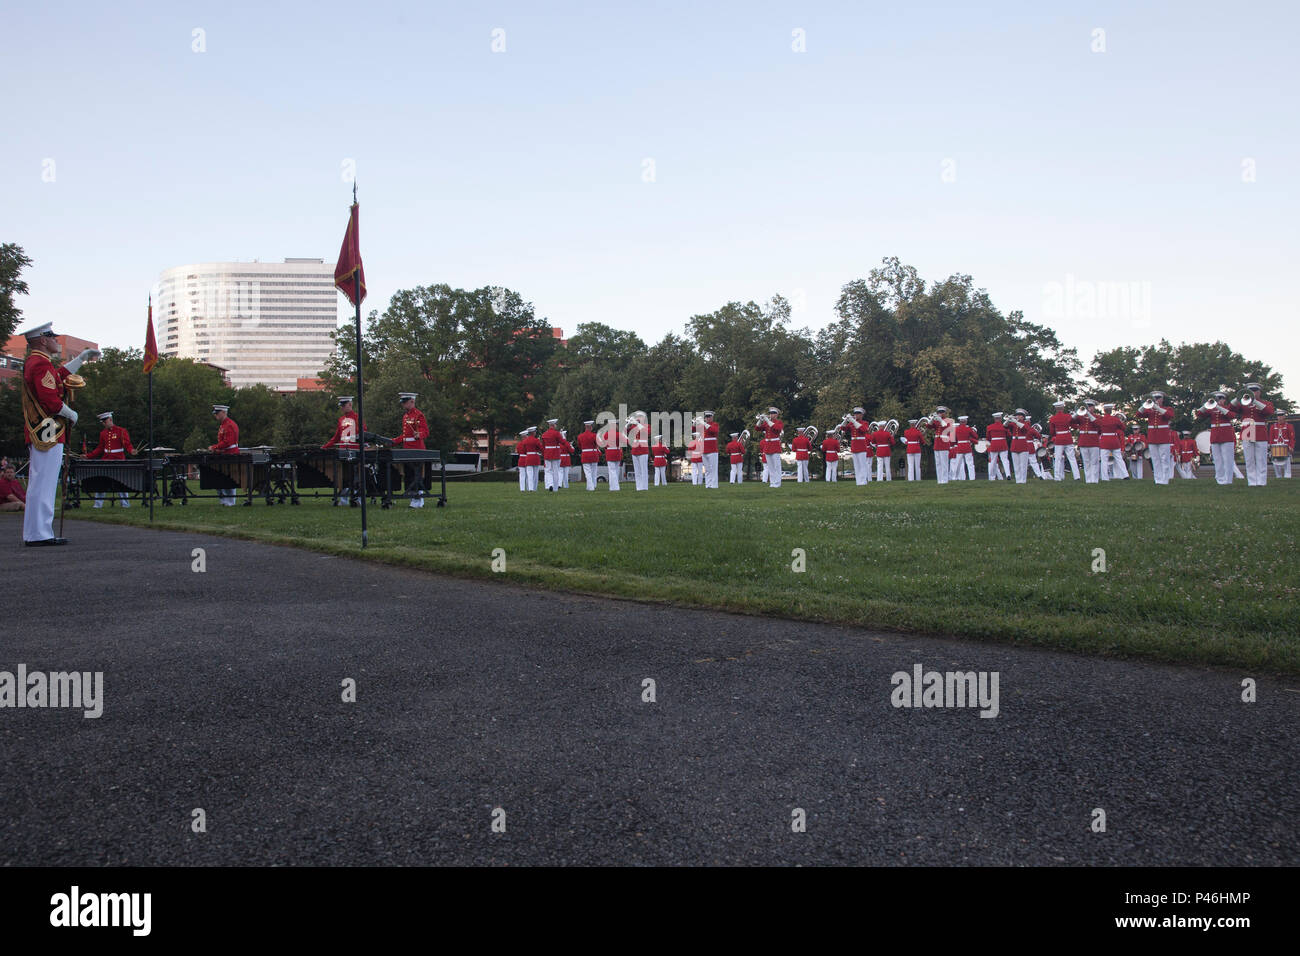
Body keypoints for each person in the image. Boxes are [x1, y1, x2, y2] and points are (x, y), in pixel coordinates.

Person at [18, 323, 97, 545]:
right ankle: (38, 534)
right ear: (43, 340)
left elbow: (59, 375)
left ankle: (38, 532)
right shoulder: (40, 364)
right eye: (52, 336)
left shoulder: (39, 362)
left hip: (46, 430)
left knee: (42, 482)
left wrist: (81, 359)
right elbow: (50, 399)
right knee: (44, 483)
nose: (55, 340)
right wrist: (70, 413)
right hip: (47, 430)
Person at [84, 411, 135, 507]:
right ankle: (98, 504)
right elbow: (100, 448)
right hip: (106, 459)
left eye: (104, 421)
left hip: (118, 459)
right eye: (102, 422)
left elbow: (127, 444)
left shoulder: (121, 431)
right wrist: (88, 456)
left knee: (120, 482)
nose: (103, 423)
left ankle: (125, 503)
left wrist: (131, 450)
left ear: (110, 420)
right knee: (101, 481)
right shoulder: (103, 433)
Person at [322, 396, 365, 505]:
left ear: (350, 405)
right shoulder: (341, 419)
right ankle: (344, 497)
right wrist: (325, 446)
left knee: (355, 474)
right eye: (341, 406)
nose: (342, 408)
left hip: (354, 451)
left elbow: (364, 433)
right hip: (342, 451)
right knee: (344, 476)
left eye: (343, 406)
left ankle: (356, 496)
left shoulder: (357, 417)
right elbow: (336, 437)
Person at [1231, 384, 1276, 486]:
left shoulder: (1265, 403)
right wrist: (1239, 396)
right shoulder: (1243, 404)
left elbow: (1269, 411)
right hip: (1247, 430)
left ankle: (1261, 481)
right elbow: (1230, 408)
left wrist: (1254, 401)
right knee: (1249, 458)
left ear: (1259, 392)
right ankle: (1252, 482)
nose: (1253, 393)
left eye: (1255, 391)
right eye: (1251, 391)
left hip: (1260, 431)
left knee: (1261, 459)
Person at [394, 392, 430, 507]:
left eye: (405, 402)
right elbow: (405, 436)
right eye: (403, 403)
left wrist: (419, 434)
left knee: (416, 474)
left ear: (412, 401)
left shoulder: (418, 415)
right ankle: (413, 496)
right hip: (407, 448)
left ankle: (418, 498)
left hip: (417, 448)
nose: (403, 405)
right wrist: (393, 441)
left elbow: (425, 432)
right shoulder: (405, 416)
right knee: (409, 474)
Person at [1194, 392, 1237, 485]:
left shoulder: (1228, 407)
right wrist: (1207, 405)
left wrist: (1218, 407)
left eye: (1220, 398)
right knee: (1217, 459)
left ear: (1224, 399)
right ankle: (1220, 479)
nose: (1218, 400)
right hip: (1215, 436)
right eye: (1216, 399)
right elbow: (1199, 413)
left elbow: (1232, 416)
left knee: (1228, 459)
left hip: (1227, 436)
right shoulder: (1211, 410)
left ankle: (1228, 480)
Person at [1139, 391, 1176, 485]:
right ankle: (1158, 479)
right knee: (1155, 459)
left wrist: (1157, 407)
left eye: (1158, 398)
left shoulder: (1167, 408)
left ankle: (1165, 479)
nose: (1156, 400)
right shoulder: (1149, 411)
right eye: (1154, 398)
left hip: (1163, 437)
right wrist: (1145, 404)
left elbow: (1169, 415)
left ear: (1162, 399)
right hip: (1152, 437)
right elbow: (1138, 414)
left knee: (1164, 459)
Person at [208, 404, 241, 506]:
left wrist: (214, 447)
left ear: (224, 412)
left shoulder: (229, 425)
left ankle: (230, 502)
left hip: (230, 455)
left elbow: (228, 442)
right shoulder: (223, 425)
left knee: (229, 480)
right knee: (220, 479)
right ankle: (224, 501)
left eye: (217, 413)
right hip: (224, 454)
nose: (216, 416)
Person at [1047, 401, 1080, 481]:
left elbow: (1051, 432)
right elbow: (1074, 426)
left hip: (1059, 439)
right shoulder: (1068, 416)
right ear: (1063, 408)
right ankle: (1077, 476)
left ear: (1055, 409)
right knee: (1071, 458)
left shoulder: (1052, 418)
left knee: (1057, 458)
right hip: (1068, 438)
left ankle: (1057, 477)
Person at [1096, 404, 1127, 481]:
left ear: (1104, 411)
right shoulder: (1115, 419)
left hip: (1104, 441)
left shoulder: (1101, 420)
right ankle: (1125, 475)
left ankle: (1105, 477)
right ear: (1111, 410)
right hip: (1114, 440)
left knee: (1104, 460)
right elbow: (1123, 428)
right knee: (1119, 459)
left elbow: (1099, 431)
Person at [1076, 400, 1102, 483]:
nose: (1088, 408)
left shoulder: (1097, 416)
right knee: (1086, 462)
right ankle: (1088, 480)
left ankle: (1094, 480)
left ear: (1094, 407)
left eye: (1090, 406)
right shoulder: (1080, 417)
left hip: (1093, 442)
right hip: (1083, 441)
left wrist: (1089, 414)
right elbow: (1070, 421)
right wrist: (1077, 412)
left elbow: (1099, 424)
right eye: (1087, 406)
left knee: (1094, 461)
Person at [845, 408, 870, 485]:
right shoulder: (852, 423)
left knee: (863, 465)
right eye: (855, 413)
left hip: (861, 445)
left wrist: (853, 421)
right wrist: (845, 420)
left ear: (862, 415)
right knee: (856, 466)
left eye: (858, 414)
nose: (856, 415)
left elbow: (863, 429)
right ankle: (858, 482)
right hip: (854, 446)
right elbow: (843, 428)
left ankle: (864, 481)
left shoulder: (864, 423)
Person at [761, 407, 784, 488]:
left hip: (775, 444)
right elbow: (757, 428)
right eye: (770, 413)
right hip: (767, 445)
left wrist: (767, 420)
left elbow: (777, 428)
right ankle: (772, 483)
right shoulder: (767, 423)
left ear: (776, 414)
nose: (771, 415)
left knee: (776, 466)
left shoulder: (779, 422)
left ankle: (777, 483)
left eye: (773, 413)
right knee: (770, 466)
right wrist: (760, 420)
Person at [1008, 410, 1033, 484]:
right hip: (1014, 444)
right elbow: (1005, 426)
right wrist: (1008, 420)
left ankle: (1023, 480)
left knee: (1023, 464)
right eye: (1017, 415)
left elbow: (1025, 428)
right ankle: (1018, 480)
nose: (1018, 416)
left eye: (1020, 415)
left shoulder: (1026, 423)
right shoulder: (1013, 423)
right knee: (1016, 464)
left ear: (1023, 417)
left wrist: (1015, 421)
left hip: (1023, 444)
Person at [627, 411, 651, 491]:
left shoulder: (647, 426)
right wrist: (628, 424)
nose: (638, 418)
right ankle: (638, 487)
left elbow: (646, 432)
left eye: (640, 417)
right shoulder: (633, 427)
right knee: (637, 471)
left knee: (643, 470)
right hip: (635, 449)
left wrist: (637, 424)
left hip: (643, 449)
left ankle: (644, 487)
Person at [931, 407, 954, 485]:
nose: (940, 413)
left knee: (944, 463)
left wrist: (940, 420)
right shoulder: (936, 421)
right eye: (939, 412)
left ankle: (945, 480)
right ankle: (939, 480)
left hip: (944, 443)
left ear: (945, 413)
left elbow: (945, 426)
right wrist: (932, 419)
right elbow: (928, 426)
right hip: (937, 443)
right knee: (938, 463)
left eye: (942, 412)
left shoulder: (949, 420)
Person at [597, 422, 623, 491]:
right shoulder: (618, 434)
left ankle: (615, 487)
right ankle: (613, 487)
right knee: (616, 471)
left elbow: (603, 444)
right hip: (617, 452)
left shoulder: (606, 434)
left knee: (612, 471)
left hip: (610, 453)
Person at [575, 420, 601, 490]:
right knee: (594, 471)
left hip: (585, 454)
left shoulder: (580, 436)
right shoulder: (594, 435)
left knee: (588, 473)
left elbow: (579, 446)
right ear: (590, 427)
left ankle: (590, 486)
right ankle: (593, 486)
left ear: (585, 427)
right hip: (593, 454)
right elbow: (598, 444)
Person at [540, 419, 564, 492]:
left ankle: (550, 484)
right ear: (554, 425)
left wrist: (544, 454)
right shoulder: (556, 433)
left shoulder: (544, 434)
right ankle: (555, 488)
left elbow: (543, 446)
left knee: (548, 471)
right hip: (555, 453)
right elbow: (562, 442)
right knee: (555, 471)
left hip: (547, 454)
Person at [1269, 411, 1294, 479]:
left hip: (1286, 446)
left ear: (1284, 416)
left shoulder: (1289, 426)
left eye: (1281, 415)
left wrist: (1291, 446)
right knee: (1276, 463)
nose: (1280, 417)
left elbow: (1291, 438)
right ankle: (1278, 476)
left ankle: (1287, 476)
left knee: (1287, 463)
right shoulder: (1273, 426)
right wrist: (1271, 447)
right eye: (1278, 416)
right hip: (1275, 447)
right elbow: (1271, 438)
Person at [950, 416, 976, 480]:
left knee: (957, 464)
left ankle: (954, 477)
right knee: (970, 464)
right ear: (966, 421)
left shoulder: (956, 429)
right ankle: (972, 478)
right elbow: (975, 436)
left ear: (960, 422)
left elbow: (953, 440)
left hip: (960, 447)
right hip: (967, 446)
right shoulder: (968, 428)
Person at [985, 412, 1010, 481]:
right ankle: (1008, 474)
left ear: (994, 419)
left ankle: (991, 477)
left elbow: (988, 438)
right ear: (1001, 418)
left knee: (993, 461)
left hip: (994, 445)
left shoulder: (989, 427)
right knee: (1005, 460)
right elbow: (1009, 435)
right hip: (1003, 444)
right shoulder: (1004, 426)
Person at [701, 411, 720, 489]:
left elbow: (714, 431)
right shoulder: (702, 426)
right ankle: (708, 485)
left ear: (712, 417)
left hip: (712, 450)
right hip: (704, 450)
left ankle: (714, 485)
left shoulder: (715, 424)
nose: (707, 418)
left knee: (713, 469)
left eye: (709, 417)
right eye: (706, 417)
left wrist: (704, 424)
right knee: (707, 469)